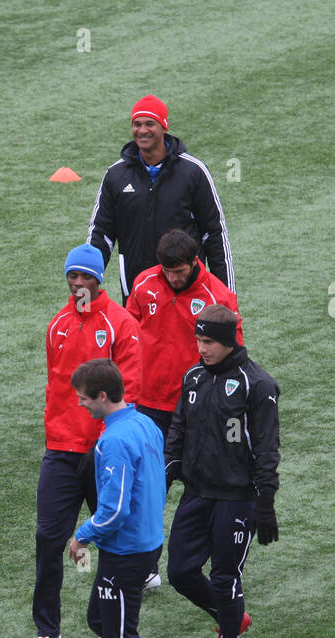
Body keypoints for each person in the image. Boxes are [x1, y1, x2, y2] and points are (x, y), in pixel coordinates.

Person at [20, 244, 144, 638]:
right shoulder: (56, 324)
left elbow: (130, 392)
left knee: (113, 539)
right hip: (60, 449)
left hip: (103, 449)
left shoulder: (121, 324)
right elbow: (56, 389)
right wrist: (55, 431)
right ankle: (47, 635)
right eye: (71, 276)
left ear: (99, 279)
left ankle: (109, 629)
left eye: (85, 277)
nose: (77, 284)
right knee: (47, 539)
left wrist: (104, 440)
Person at [66, 359, 187, 638]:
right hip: (146, 542)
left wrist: (82, 536)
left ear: (103, 396)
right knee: (100, 620)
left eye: (84, 399)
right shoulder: (146, 424)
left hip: (126, 551)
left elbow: (114, 510)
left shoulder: (113, 441)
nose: (81, 405)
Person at [164, 306, 279, 638]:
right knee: (179, 572)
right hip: (197, 494)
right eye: (198, 340)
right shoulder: (194, 377)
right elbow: (179, 424)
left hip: (236, 498)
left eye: (209, 341)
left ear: (229, 341)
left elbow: (267, 449)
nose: (202, 348)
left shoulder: (258, 385)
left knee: (225, 577)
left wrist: (266, 501)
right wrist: (172, 465)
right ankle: (231, 617)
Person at [127, 229, 242, 590]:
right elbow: (127, 334)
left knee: (204, 486)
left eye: (178, 271)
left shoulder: (217, 298)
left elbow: (234, 355)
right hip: (147, 406)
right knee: (147, 489)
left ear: (196, 262)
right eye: (167, 271)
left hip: (195, 409)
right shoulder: (144, 284)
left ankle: (214, 557)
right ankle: (147, 568)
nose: (172, 278)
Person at [87, 94, 234, 302]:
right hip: (137, 294)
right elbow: (101, 235)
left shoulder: (193, 172)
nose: (142, 130)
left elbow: (215, 235)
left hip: (187, 293)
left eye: (150, 123)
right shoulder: (116, 175)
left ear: (164, 127)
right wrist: (88, 277)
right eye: (137, 124)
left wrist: (226, 297)